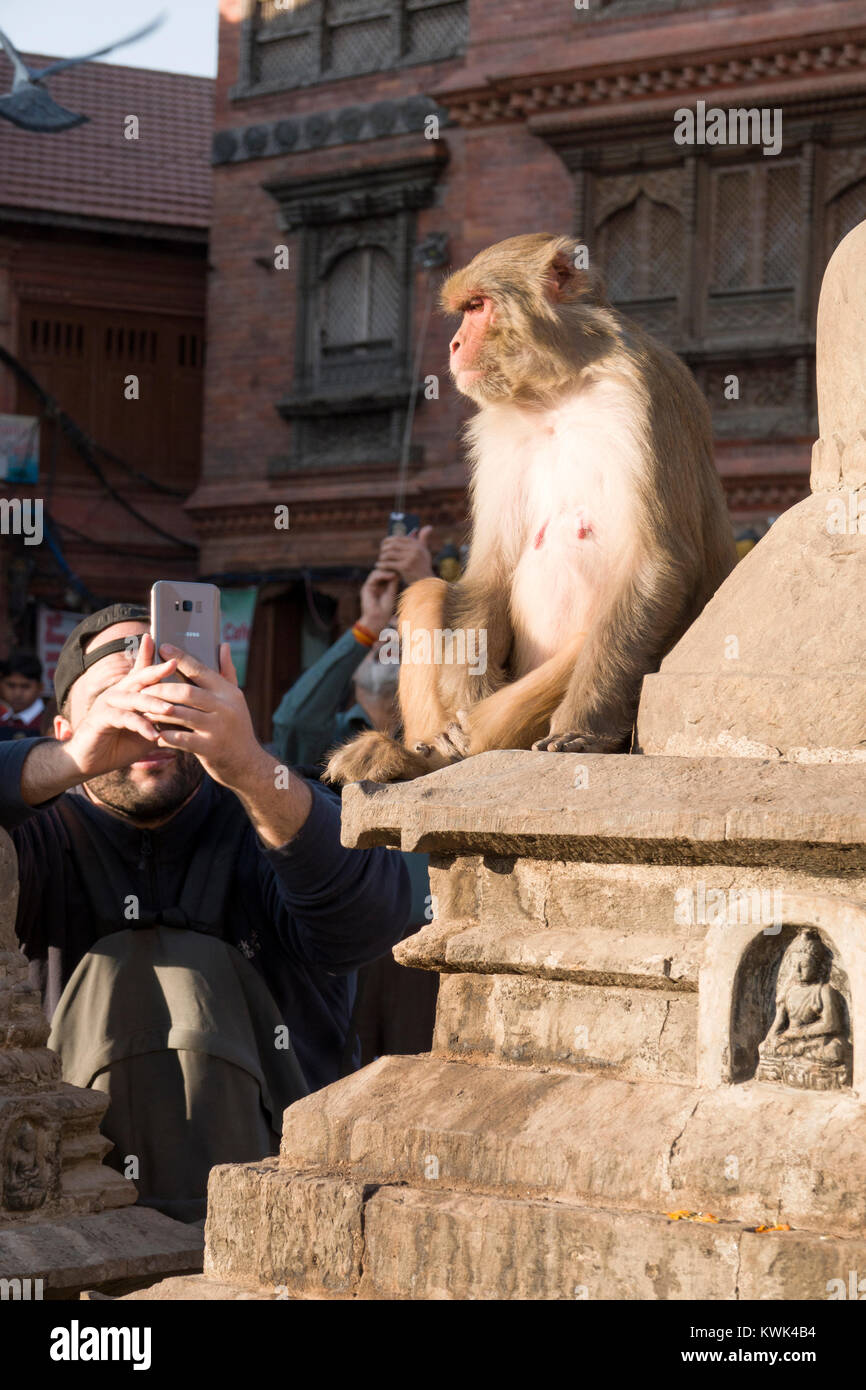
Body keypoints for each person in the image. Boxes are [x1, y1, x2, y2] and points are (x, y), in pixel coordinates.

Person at [0, 603, 411, 1220]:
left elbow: (370, 923)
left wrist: (246, 765)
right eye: (119, 700)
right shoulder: (37, 836)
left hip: (279, 1218)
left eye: (171, 694)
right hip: (69, 1223)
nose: (148, 722)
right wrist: (63, 768)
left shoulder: (270, 808)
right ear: (65, 732)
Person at [273, 545, 439, 1068]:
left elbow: (472, 683)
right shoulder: (328, 745)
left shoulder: (447, 743)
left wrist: (426, 590)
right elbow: (293, 720)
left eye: (401, 641)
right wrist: (366, 625)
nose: (388, 646)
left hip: (429, 952)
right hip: (352, 952)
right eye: (377, 644)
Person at [0, 651, 45, 739]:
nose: (17, 694)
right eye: (11, 685)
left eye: (25, 686)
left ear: (40, 688)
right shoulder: (2, 721)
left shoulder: (50, 723)